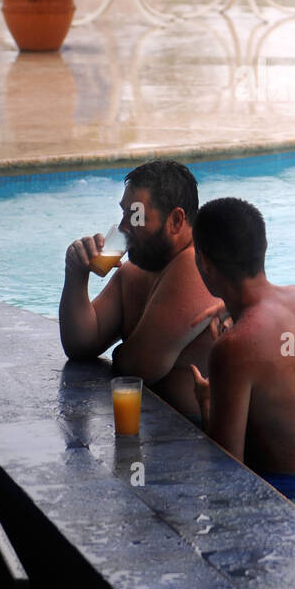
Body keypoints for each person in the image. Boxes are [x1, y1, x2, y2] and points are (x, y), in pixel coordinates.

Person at [188, 196, 295, 498]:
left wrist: (207, 405)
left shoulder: (234, 347)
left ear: (203, 262)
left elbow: (226, 470)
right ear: (264, 248)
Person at [58, 160, 225, 420]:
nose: (124, 226)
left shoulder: (197, 266)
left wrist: (120, 352)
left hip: (217, 452)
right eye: (124, 213)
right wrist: (76, 275)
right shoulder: (135, 270)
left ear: (176, 220)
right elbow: (80, 344)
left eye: (135, 216)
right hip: (161, 437)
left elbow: (138, 368)